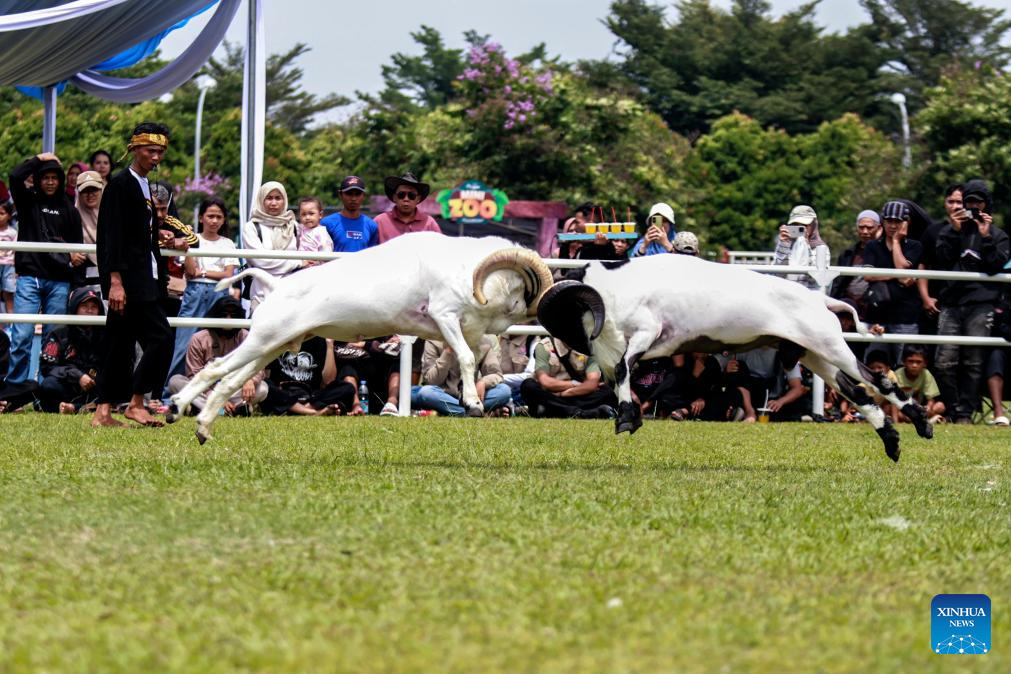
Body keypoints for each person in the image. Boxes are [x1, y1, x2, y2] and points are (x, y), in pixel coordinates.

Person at [91, 122, 176, 428]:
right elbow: (111, 237)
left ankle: (102, 412)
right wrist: (114, 281)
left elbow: (138, 233)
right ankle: (137, 401)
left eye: (161, 152)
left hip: (145, 275)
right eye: (151, 151)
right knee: (162, 337)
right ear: (135, 148)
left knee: (118, 342)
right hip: (129, 280)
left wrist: (164, 238)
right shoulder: (120, 185)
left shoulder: (144, 185)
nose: (156, 157)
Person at [933, 179, 1010, 423]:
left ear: (987, 205)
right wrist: (956, 232)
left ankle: (965, 413)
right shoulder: (949, 231)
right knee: (944, 361)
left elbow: (997, 265)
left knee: (974, 362)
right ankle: (953, 409)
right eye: (969, 202)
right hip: (952, 303)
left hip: (981, 303)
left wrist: (985, 237)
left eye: (978, 202)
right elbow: (942, 261)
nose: (974, 207)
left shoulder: (998, 235)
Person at [5, 151, 85, 386]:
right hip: (29, 278)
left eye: (54, 178)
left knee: (54, 339)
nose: (50, 182)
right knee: (21, 335)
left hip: (59, 281)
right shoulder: (28, 201)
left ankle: (48, 387)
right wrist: (39, 159)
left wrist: (76, 285)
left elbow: (79, 251)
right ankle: (15, 388)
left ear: (60, 181)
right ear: (38, 180)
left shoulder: (70, 210)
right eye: (45, 177)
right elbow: (14, 176)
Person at [165, 197, 238, 385]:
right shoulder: (192, 238)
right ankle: (168, 395)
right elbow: (189, 272)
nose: (214, 221)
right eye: (210, 216)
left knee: (221, 343)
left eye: (219, 217)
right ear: (201, 218)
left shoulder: (228, 243)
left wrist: (203, 272)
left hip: (219, 294)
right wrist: (188, 243)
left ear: (224, 220)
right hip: (194, 292)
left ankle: (220, 390)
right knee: (183, 343)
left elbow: (228, 273)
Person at [166, 296, 267, 416]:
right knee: (175, 381)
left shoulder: (246, 336)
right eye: (224, 314)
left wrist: (250, 379)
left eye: (233, 315)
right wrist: (218, 399)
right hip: (207, 390)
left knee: (263, 388)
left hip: (234, 389)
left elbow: (258, 366)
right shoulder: (199, 338)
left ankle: (202, 409)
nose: (228, 319)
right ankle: (225, 410)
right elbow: (194, 375)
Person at [861, 200, 924, 364]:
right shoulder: (872, 246)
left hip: (906, 315)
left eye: (898, 221)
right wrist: (897, 275)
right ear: (883, 222)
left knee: (906, 364)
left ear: (906, 223)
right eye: (889, 221)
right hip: (877, 314)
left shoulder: (915, 246)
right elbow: (868, 276)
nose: (893, 226)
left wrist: (896, 242)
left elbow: (902, 272)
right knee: (875, 364)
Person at [38, 287, 105, 413]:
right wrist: (77, 376)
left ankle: (74, 408)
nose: (89, 311)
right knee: (49, 386)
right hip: (67, 385)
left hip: (94, 387)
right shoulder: (59, 333)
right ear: (75, 308)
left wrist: (93, 379)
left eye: (94, 307)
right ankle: (71, 406)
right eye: (84, 306)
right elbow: (47, 367)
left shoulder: (105, 335)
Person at [241, 181, 303, 312]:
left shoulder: (294, 226)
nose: (273, 203)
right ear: (261, 200)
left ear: (284, 200)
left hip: (291, 295)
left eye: (278, 198)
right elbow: (261, 261)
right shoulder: (251, 227)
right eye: (269, 198)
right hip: (261, 296)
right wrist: (296, 262)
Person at [412, 336, 512, 416]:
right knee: (424, 393)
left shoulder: (483, 341)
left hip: (473, 395)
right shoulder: (433, 340)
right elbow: (431, 381)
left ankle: (450, 411)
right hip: (442, 394)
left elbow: (497, 374)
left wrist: (483, 383)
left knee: (504, 391)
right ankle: (475, 412)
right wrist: (448, 352)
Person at [519, 337, 617, 418]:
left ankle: (551, 411)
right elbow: (545, 382)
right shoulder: (544, 346)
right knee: (528, 385)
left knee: (606, 391)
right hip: (550, 393)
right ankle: (582, 413)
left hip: (572, 395)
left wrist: (563, 394)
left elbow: (592, 383)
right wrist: (574, 384)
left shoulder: (589, 347)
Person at [261, 336, 355, 416]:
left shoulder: (319, 340)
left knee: (348, 388)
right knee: (265, 384)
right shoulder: (281, 338)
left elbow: (328, 381)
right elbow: (267, 375)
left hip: (311, 397)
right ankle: (313, 412)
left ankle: (299, 410)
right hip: (284, 393)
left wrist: (329, 345)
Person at [830, 210, 881, 315]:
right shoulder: (847, 254)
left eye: (869, 228)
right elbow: (838, 283)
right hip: (848, 308)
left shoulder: (883, 253)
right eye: (861, 227)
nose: (865, 231)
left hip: (873, 308)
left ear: (879, 228)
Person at [375, 171, 442, 243]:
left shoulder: (429, 223)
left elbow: (440, 249)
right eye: (401, 195)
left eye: (411, 195)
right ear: (394, 197)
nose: (406, 199)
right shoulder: (380, 222)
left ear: (418, 199)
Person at [774, 204, 831, 290]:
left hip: (809, 296)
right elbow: (778, 275)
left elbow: (816, 279)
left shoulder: (822, 248)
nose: (801, 228)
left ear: (813, 225)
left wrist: (807, 246)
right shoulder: (787, 244)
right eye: (796, 225)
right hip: (786, 294)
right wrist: (783, 245)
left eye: (805, 225)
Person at [320, 175, 379, 252]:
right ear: (340, 194)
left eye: (357, 194)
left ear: (364, 196)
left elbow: (372, 255)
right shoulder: (327, 223)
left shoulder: (372, 226)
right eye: (349, 193)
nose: (353, 198)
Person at [894, 345, 945, 424]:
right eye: (911, 361)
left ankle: (919, 420)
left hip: (919, 409)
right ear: (904, 362)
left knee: (940, 406)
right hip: (902, 410)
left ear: (925, 363)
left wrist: (928, 407)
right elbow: (893, 401)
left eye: (918, 362)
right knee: (887, 409)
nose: (914, 365)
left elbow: (930, 398)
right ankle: (926, 421)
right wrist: (895, 422)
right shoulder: (897, 375)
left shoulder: (926, 374)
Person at [73, 170, 105, 291]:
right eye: (85, 190)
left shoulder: (113, 216)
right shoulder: (71, 216)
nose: (90, 194)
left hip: (111, 282)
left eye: (94, 190)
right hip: (81, 283)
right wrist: (70, 254)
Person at [0, 202, 16, 327]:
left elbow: (16, 250)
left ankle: (11, 325)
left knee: (9, 294)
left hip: (9, 266)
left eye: (2, 213)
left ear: (9, 216)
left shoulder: (12, 232)